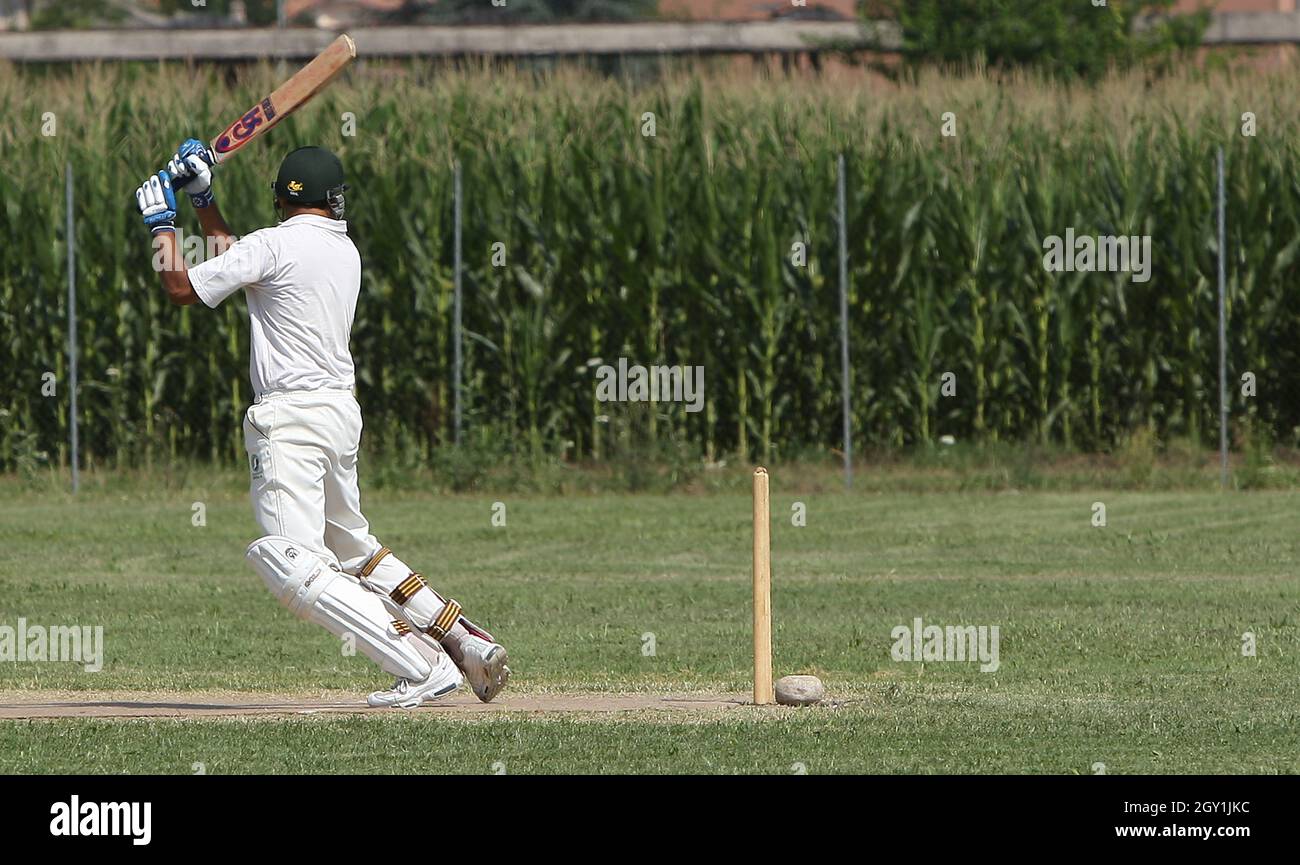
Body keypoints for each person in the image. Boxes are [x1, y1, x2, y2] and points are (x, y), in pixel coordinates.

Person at [133, 141, 509, 708]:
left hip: (290, 420)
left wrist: (163, 223)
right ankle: (461, 638)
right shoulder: (342, 249)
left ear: (282, 199)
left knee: (288, 560)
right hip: (337, 414)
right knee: (354, 550)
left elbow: (183, 287)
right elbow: (243, 264)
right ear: (333, 198)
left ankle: (420, 664)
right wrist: (203, 200)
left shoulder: (275, 244)